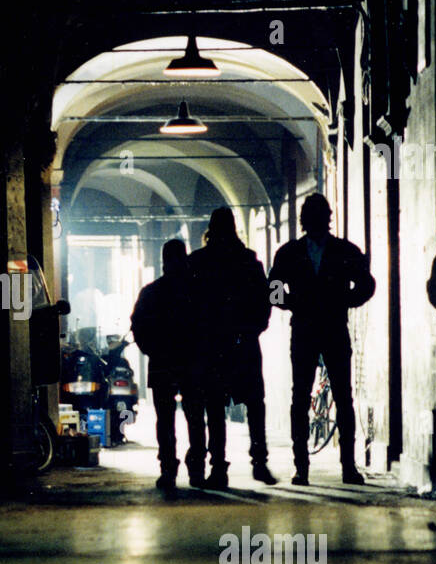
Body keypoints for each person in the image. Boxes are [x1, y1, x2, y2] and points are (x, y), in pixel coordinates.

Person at [267, 193, 375, 486]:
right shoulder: (342, 250)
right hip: (322, 328)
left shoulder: (290, 252)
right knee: (322, 397)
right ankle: (312, 467)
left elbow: (366, 284)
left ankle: (332, 467)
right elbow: (274, 290)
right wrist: (342, 301)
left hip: (315, 328)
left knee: (325, 397)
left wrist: (296, 303)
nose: (316, 222)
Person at [188, 207, 276, 486]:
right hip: (244, 344)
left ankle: (218, 468)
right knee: (254, 404)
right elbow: (265, 301)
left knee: (214, 408)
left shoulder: (198, 262)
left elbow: (189, 305)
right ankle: (259, 462)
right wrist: (252, 330)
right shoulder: (249, 261)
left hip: (211, 345)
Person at [130, 239, 205, 490]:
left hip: (162, 363)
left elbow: (138, 326)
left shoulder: (152, 292)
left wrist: (152, 351)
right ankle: (196, 469)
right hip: (192, 362)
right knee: (195, 417)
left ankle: (168, 469)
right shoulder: (196, 291)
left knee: (165, 420)